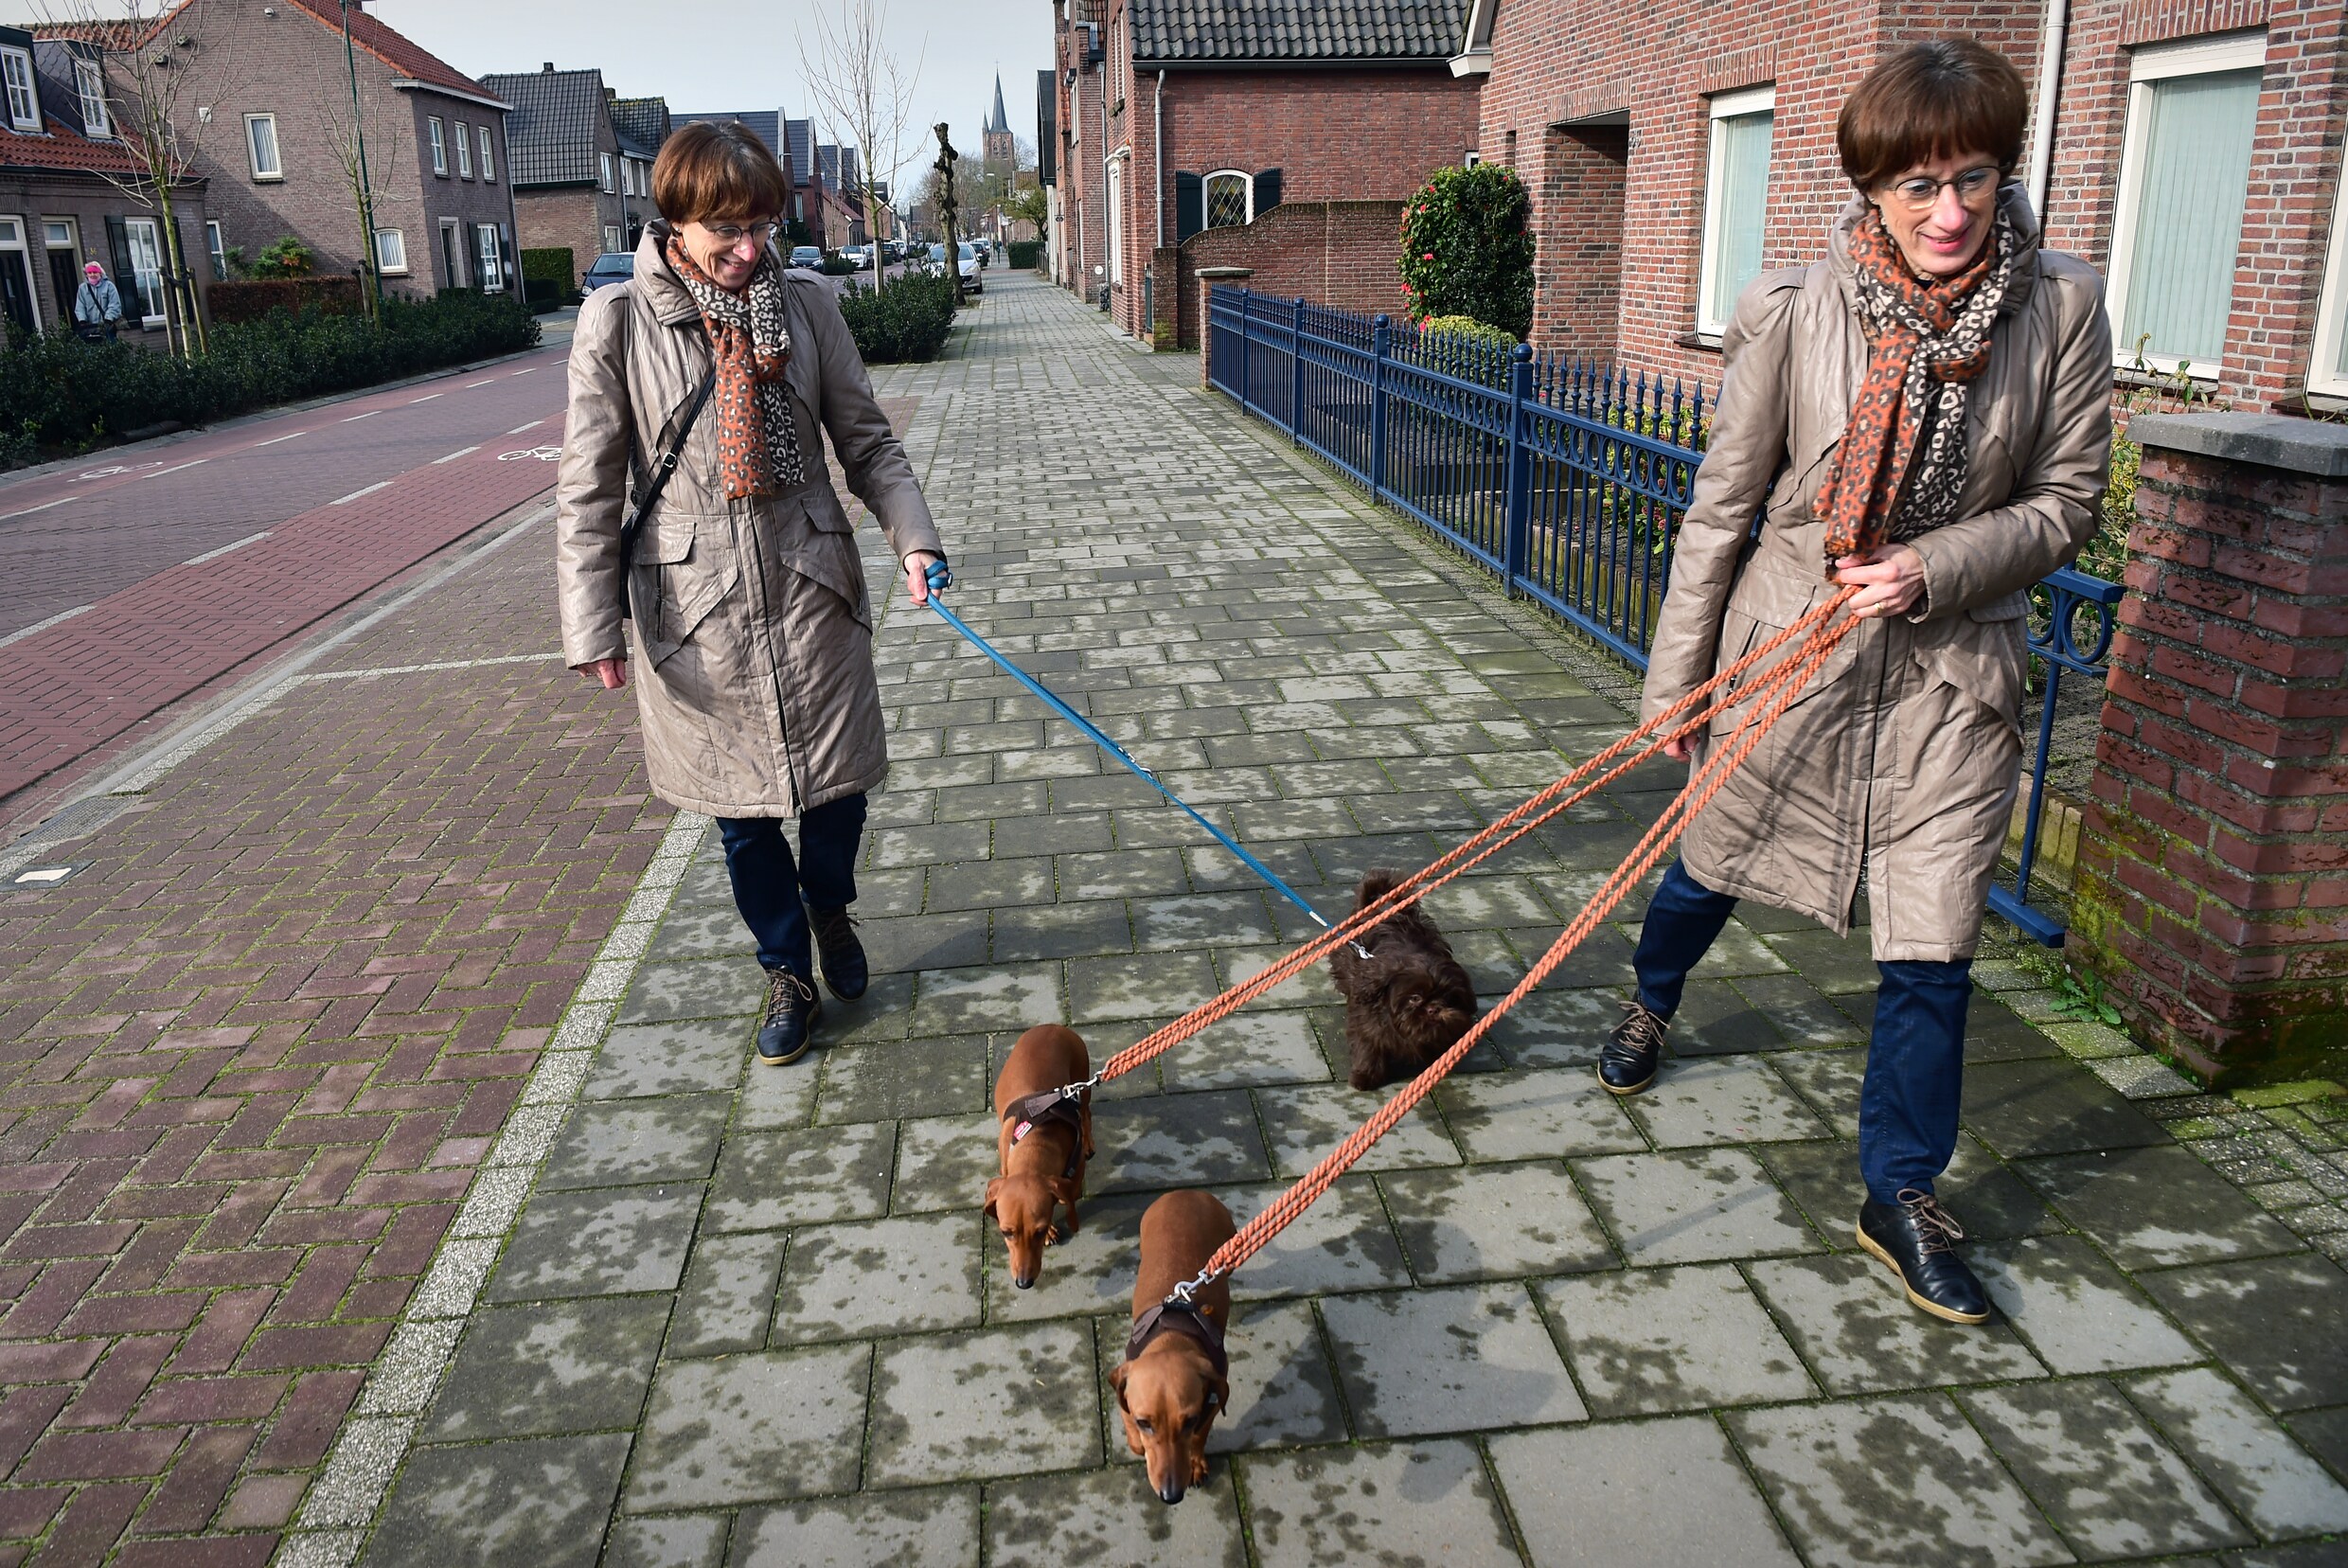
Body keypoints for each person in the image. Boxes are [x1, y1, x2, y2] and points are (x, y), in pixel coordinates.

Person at [1602, 39, 2110, 1324]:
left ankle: (1899, 1192)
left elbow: (2068, 499)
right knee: (1708, 865)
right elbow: (1721, 509)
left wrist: (1935, 565)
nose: (1949, 213)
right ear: (1872, 190)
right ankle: (1652, 1000)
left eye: (1974, 178)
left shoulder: (2059, 308)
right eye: (1919, 185)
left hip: (1952, 683)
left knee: (1933, 950)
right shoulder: (1796, 308)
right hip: (1792, 660)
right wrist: (1675, 688)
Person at [556, 119, 947, 1066]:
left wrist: (915, 542)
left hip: (811, 582)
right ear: (677, 221)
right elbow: (588, 486)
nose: (747, 250)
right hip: (696, 611)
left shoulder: (806, 304)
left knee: (839, 792)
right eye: (726, 230)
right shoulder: (618, 321)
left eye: (762, 227)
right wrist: (591, 624)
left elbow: (866, 442)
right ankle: (786, 969)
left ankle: (830, 904)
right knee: (742, 816)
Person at [73, 261, 122, 342]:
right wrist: (82, 320)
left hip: (106, 327)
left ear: (100, 273)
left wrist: (108, 319)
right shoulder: (82, 288)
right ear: (87, 274)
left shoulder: (109, 286)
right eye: (90, 273)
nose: (92, 275)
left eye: (95, 272)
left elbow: (115, 304)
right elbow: (80, 306)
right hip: (90, 328)